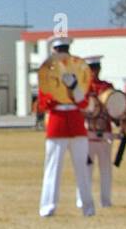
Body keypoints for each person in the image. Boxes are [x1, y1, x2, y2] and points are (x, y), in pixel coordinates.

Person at [37, 38, 94, 217]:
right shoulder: (47, 75)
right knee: (53, 168)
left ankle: (87, 207)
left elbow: (84, 103)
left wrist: (74, 87)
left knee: (82, 169)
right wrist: (59, 90)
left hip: (76, 123)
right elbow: (44, 103)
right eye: (60, 50)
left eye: (65, 50)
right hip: (58, 122)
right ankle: (48, 207)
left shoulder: (79, 72)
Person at [81, 56, 114, 211]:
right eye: (92, 68)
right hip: (87, 132)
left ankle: (106, 200)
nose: (95, 71)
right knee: (86, 168)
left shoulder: (107, 87)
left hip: (104, 132)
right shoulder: (82, 88)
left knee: (105, 168)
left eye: (96, 68)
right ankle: (82, 199)